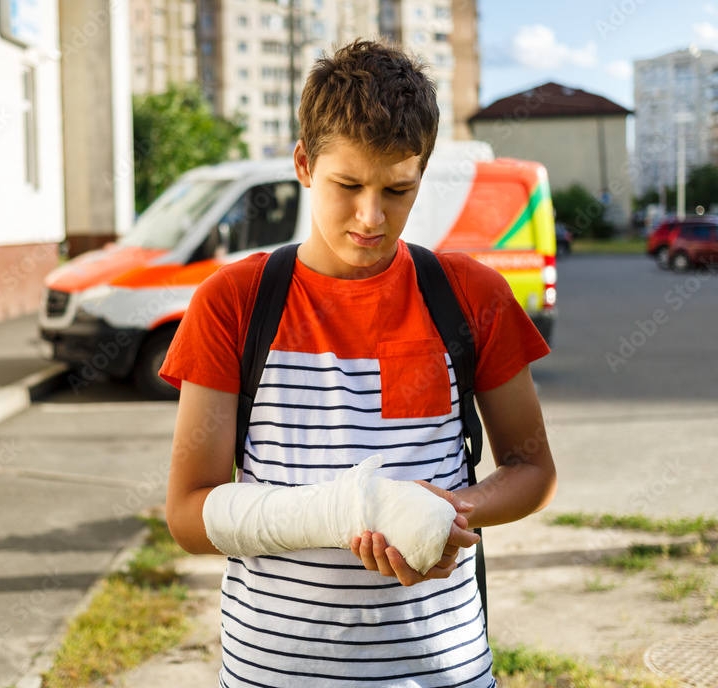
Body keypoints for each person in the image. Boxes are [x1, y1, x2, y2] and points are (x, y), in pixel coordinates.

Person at [159, 38, 557, 687]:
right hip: (276, 671)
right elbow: (187, 513)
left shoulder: (470, 296)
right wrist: (343, 511)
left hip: (442, 669)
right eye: (349, 184)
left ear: (421, 176)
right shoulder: (233, 302)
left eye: (398, 190)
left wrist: (453, 510)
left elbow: (533, 468)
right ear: (303, 165)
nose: (372, 217)